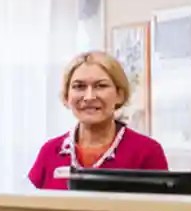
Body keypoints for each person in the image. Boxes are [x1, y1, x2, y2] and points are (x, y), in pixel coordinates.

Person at [28, 51, 168, 190]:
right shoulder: (50, 152)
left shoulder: (147, 152)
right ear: (66, 96)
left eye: (100, 86)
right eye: (79, 86)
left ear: (119, 94)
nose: (89, 97)